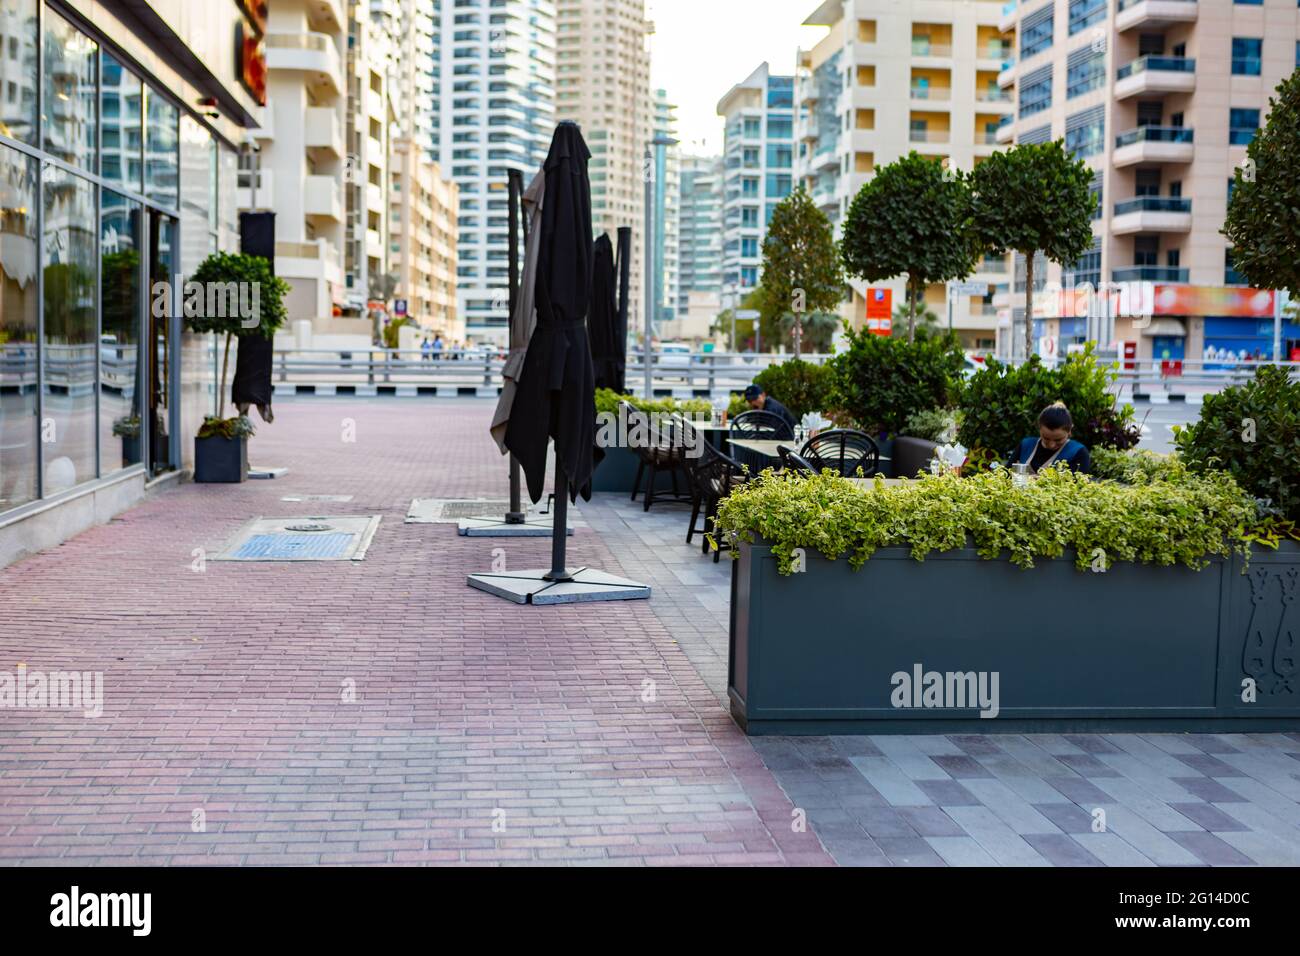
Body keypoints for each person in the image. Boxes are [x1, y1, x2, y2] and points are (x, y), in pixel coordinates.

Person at [1013, 402, 1090, 475]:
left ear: (1069, 431)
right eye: (1046, 438)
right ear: (1039, 429)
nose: (1051, 445)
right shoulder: (1026, 445)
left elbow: (1078, 484)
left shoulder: (1078, 452)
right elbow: (1006, 474)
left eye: (1058, 440)